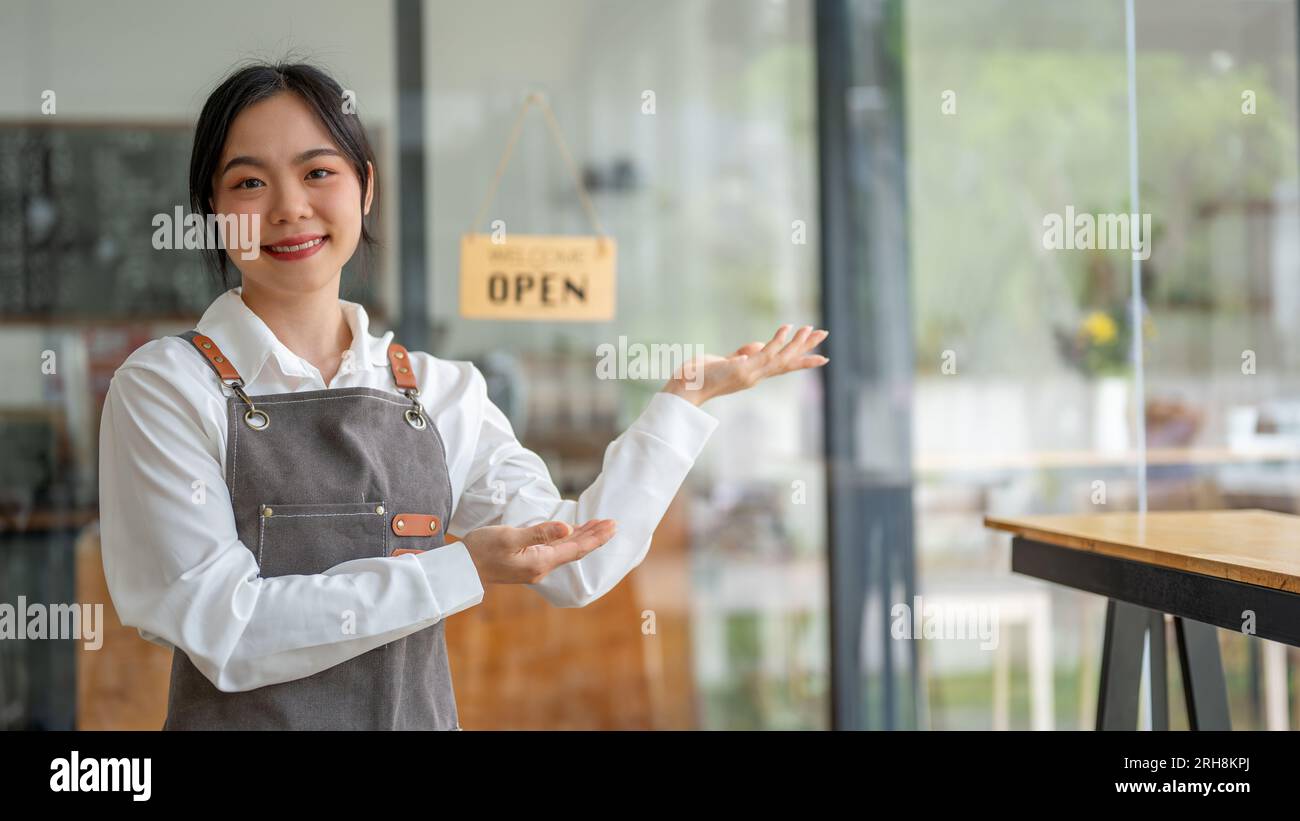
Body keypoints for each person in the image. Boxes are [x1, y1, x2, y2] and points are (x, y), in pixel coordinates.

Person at [98, 61, 829, 730]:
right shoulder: (165, 388)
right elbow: (226, 629)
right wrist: (458, 566)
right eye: (249, 182)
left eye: (318, 171)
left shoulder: (443, 393)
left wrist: (679, 405)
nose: (290, 206)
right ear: (212, 211)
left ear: (366, 188)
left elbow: (572, 561)